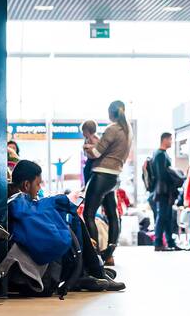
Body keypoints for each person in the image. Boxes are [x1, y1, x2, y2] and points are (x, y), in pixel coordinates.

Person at [10, 160, 122, 293]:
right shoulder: (18, 203)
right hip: (40, 255)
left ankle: (92, 270)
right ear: (26, 185)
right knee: (72, 221)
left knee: (72, 220)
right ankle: (93, 270)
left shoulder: (18, 201)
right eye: (38, 184)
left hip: (38, 249)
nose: (39, 188)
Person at [82, 100, 130, 268]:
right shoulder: (127, 130)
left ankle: (93, 257)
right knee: (112, 215)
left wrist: (86, 149)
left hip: (101, 174)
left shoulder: (112, 129)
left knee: (88, 214)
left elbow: (96, 152)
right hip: (114, 177)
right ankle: (109, 255)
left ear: (111, 113)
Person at [145, 132, 181, 251]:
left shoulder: (160, 154)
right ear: (164, 140)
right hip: (163, 190)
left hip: (162, 189)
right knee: (162, 216)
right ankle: (158, 242)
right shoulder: (160, 154)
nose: (171, 142)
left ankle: (169, 241)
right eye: (170, 139)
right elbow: (162, 174)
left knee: (167, 216)